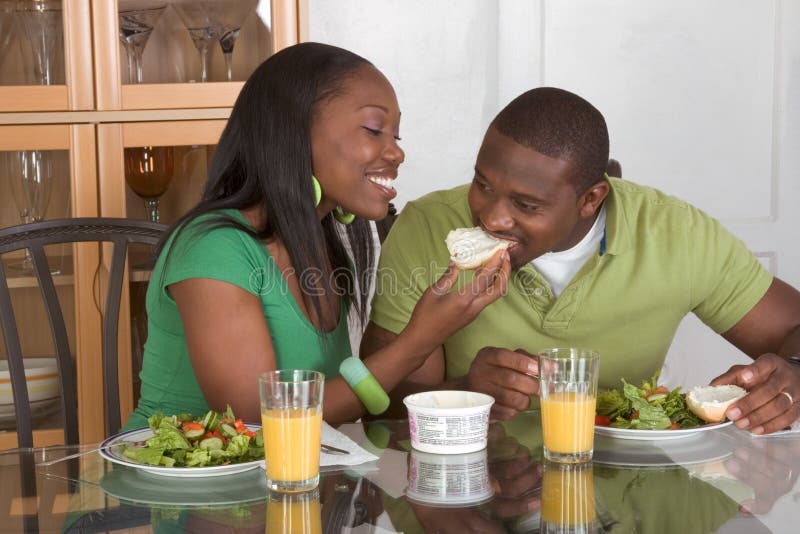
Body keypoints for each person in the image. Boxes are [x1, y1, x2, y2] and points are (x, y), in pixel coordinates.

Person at [362, 87, 800, 435]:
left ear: (591, 199)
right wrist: (466, 394)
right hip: (470, 490)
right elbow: (380, 413)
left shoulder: (676, 234)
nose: (492, 216)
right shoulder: (427, 227)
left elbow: (792, 329)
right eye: (483, 183)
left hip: (628, 497)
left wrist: (793, 377)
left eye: (526, 204)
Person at [123, 42, 510, 431]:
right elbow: (259, 421)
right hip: (175, 487)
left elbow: (338, 401)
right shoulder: (213, 249)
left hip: (289, 483)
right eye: (375, 130)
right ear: (294, 129)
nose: (396, 154)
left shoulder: (318, 247)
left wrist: (462, 384)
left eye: (397, 136)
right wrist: (422, 338)